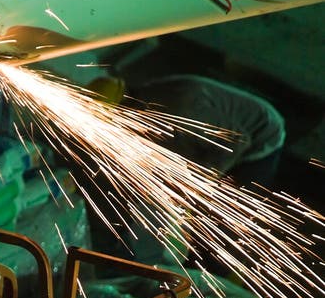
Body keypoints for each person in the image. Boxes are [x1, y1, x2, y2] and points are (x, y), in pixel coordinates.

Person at [86, 72, 286, 267]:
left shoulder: (182, 107)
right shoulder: (148, 101)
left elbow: (238, 140)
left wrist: (200, 182)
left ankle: (227, 266)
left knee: (229, 213)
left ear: (124, 107)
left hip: (258, 138)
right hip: (215, 138)